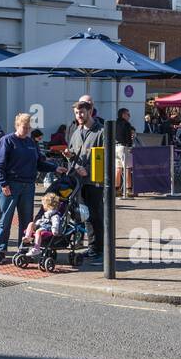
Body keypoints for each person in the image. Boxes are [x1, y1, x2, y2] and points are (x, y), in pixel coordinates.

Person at [0, 112, 63, 264]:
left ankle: (23, 249)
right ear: (17, 126)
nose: (27, 130)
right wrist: (3, 183)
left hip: (28, 186)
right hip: (11, 185)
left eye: (29, 127)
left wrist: (55, 168)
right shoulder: (7, 141)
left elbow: (39, 163)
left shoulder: (31, 143)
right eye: (24, 127)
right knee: (5, 219)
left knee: (27, 221)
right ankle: (0, 251)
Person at [66, 99, 109, 263]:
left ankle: (99, 250)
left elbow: (105, 157)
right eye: (76, 113)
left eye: (82, 112)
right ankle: (92, 248)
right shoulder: (76, 132)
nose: (79, 116)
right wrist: (70, 158)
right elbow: (73, 154)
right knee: (86, 216)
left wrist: (88, 170)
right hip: (79, 181)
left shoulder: (101, 131)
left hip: (94, 181)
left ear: (90, 111)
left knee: (96, 215)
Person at [22, 192, 66, 260]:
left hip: (48, 228)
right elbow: (42, 220)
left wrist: (54, 230)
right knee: (31, 223)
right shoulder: (46, 213)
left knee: (38, 231)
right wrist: (37, 223)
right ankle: (27, 237)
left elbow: (55, 223)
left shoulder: (55, 215)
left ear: (47, 206)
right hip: (42, 226)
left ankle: (36, 248)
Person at [115, 107, 136, 196]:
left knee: (118, 168)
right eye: (128, 114)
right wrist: (130, 147)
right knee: (127, 168)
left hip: (115, 148)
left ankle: (117, 189)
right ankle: (128, 189)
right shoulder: (126, 124)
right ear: (123, 115)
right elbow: (128, 138)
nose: (129, 116)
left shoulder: (115, 123)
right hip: (124, 148)